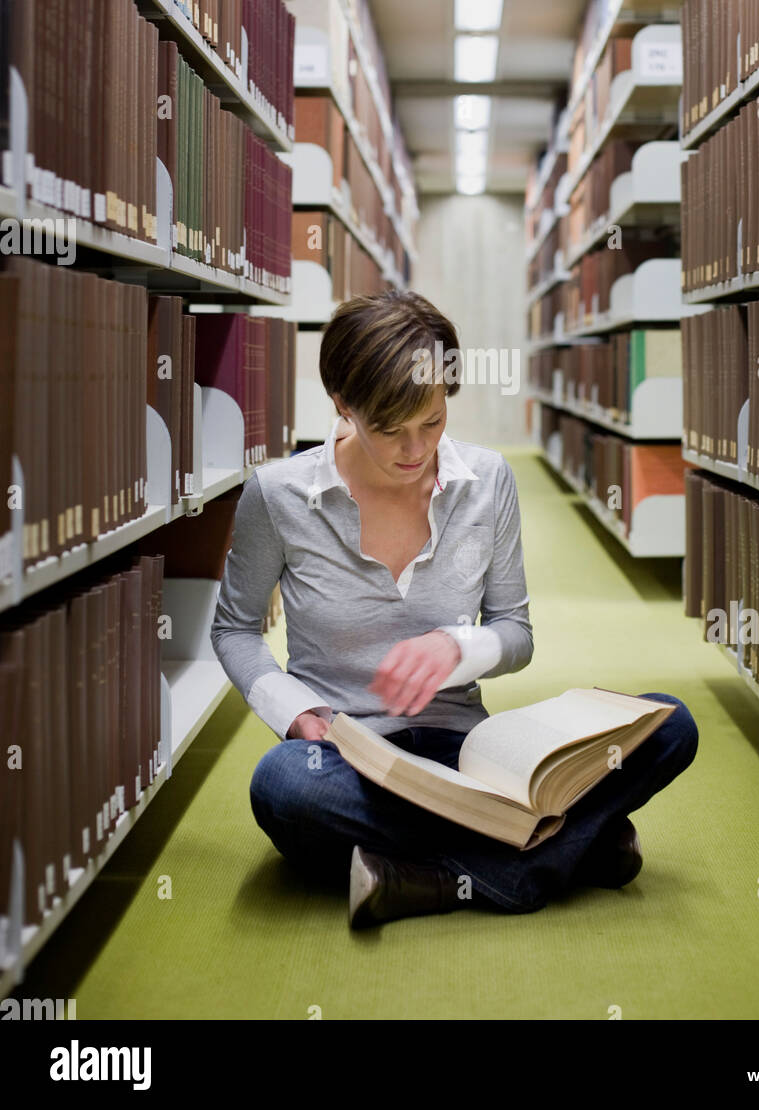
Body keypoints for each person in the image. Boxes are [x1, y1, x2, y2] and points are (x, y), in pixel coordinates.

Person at [211, 288, 698, 929]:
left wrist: (459, 648)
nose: (415, 450)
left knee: (669, 724)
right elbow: (236, 629)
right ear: (343, 406)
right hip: (346, 758)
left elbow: (515, 632)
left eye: (432, 422)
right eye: (389, 430)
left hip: (467, 750)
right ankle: (556, 851)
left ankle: (431, 879)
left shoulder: (488, 480)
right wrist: (297, 711)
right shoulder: (277, 495)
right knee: (281, 785)